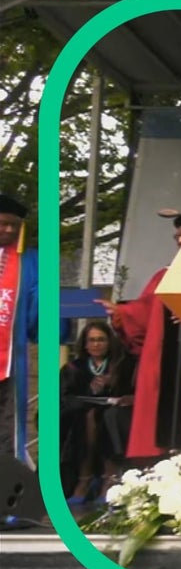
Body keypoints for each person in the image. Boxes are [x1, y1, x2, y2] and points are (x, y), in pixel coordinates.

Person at [98, 208, 181, 459]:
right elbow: (145, 311)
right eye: (177, 238)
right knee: (169, 419)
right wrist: (123, 313)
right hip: (172, 360)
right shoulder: (166, 275)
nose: (180, 243)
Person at [0, 194, 69, 463]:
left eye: (14, 226)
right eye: (3, 224)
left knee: (7, 428)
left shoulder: (30, 261)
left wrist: (52, 329)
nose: (8, 230)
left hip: (9, 364)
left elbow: (42, 301)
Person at [59, 320, 135, 505]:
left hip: (116, 413)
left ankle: (107, 478)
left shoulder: (122, 365)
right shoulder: (74, 368)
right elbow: (64, 397)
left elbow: (135, 392)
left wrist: (116, 388)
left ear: (109, 342)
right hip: (82, 414)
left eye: (101, 340)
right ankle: (85, 477)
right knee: (88, 417)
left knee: (105, 418)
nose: (96, 344)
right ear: (85, 344)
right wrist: (90, 390)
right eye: (91, 340)